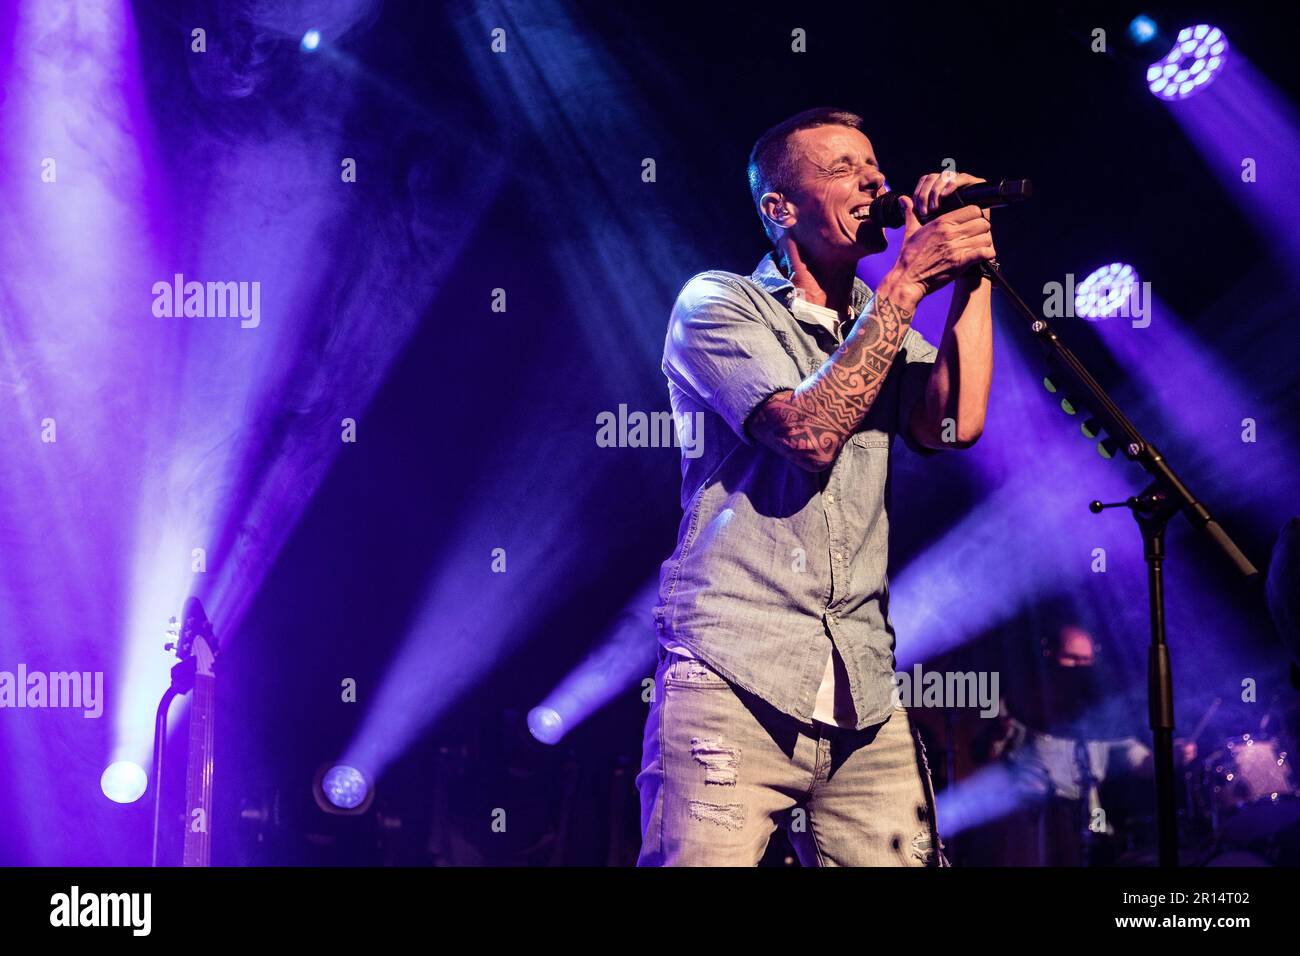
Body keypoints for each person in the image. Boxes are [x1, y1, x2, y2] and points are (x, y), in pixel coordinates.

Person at [636, 107, 996, 866]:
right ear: (780, 208)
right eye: (843, 169)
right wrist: (908, 278)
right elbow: (808, 434)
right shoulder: (717, 304)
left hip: (862, 687)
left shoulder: (878, 320)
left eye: (873, 165)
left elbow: (955, 425)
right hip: (734, 672)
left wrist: (971, 282)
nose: (875, 180)